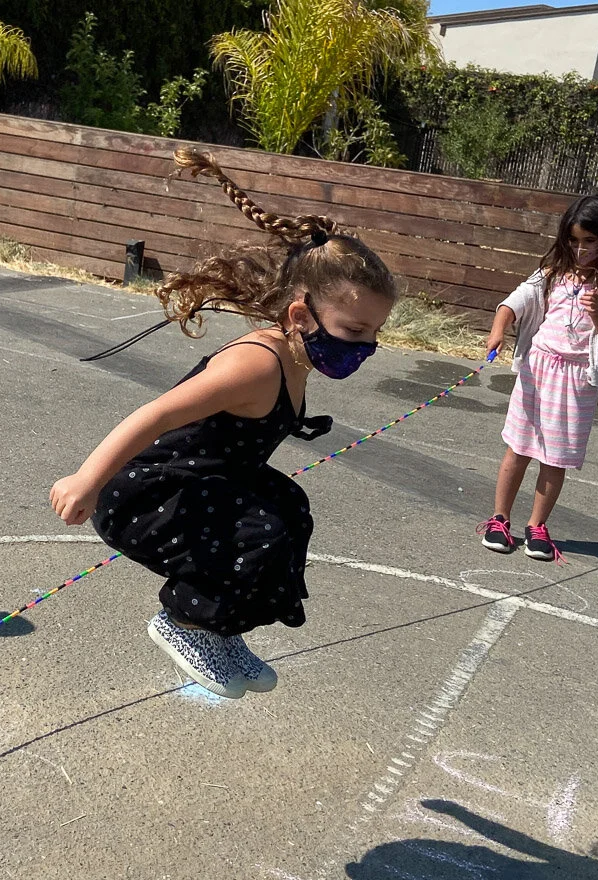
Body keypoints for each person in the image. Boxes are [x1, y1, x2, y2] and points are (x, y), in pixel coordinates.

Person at [50, 148, 396, 698]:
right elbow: (157, 412)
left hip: (209, 479)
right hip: (146, 493)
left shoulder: (299, 358)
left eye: (374, 334)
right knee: (262, 533)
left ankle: (219, 628)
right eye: (354, 330)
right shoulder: (254, 365)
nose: (366, 346)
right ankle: (183, 624)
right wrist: (86, 479)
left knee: (290, 511)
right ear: (300, 315)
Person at [477, 195, 598, 562]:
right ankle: (499, 520)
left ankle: (537, 527)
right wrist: (499, 329)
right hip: (538, 368)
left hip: (577, 378)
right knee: (518, 447)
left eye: (590, 242)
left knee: (556, 457)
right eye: (574, 240)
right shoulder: (552, 272)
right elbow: (515, 300)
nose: (580, 249)